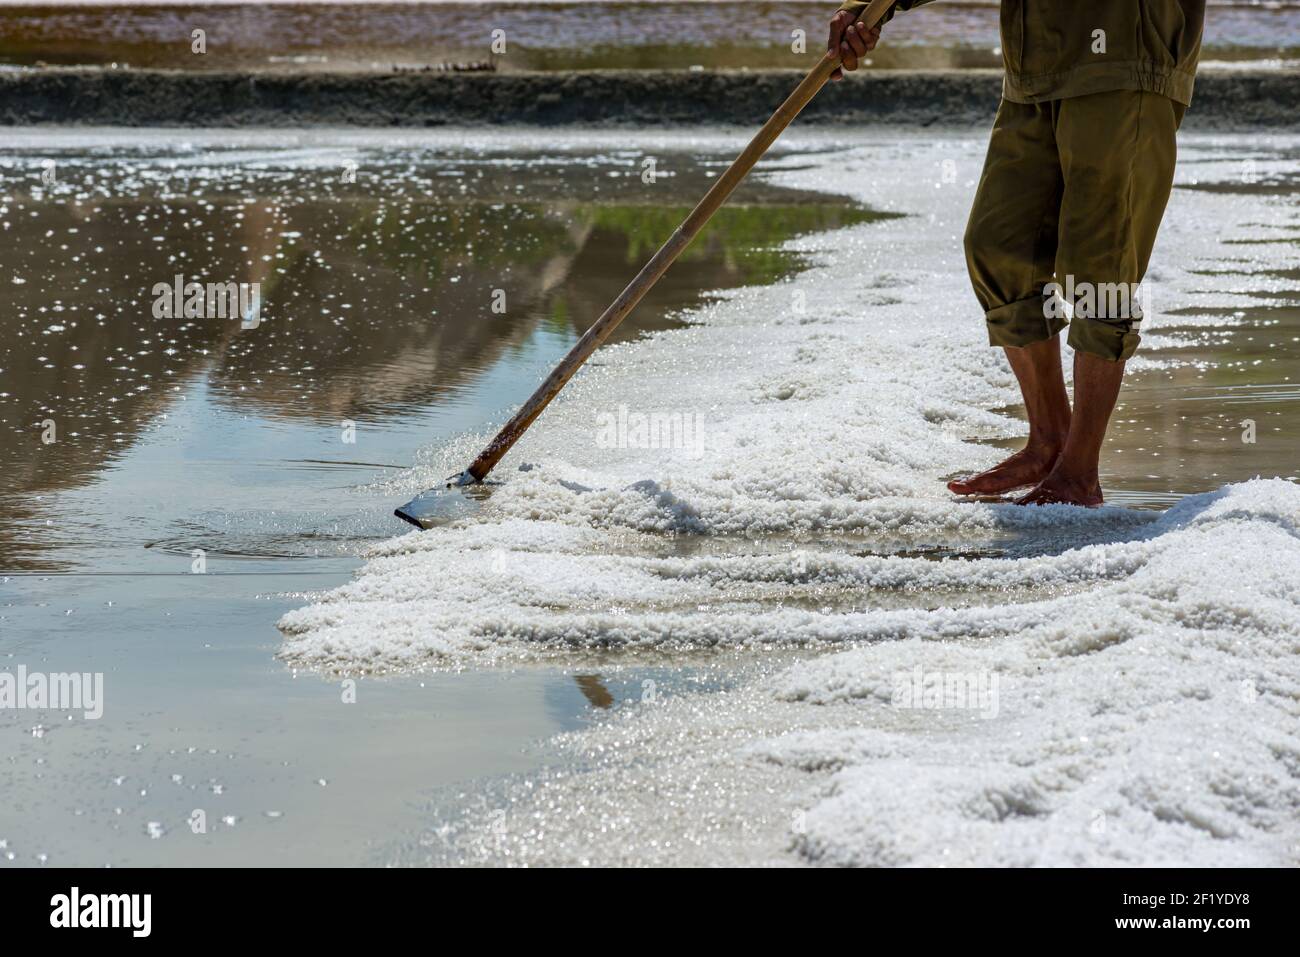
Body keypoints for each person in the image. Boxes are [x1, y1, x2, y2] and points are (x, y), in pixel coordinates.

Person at [828, 1, 1206, 506]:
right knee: (998, 249)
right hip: (1034, 64)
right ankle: (1049, 441)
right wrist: (875, 5)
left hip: (1126, 55)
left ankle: (1080, 471)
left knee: (1100, 271)